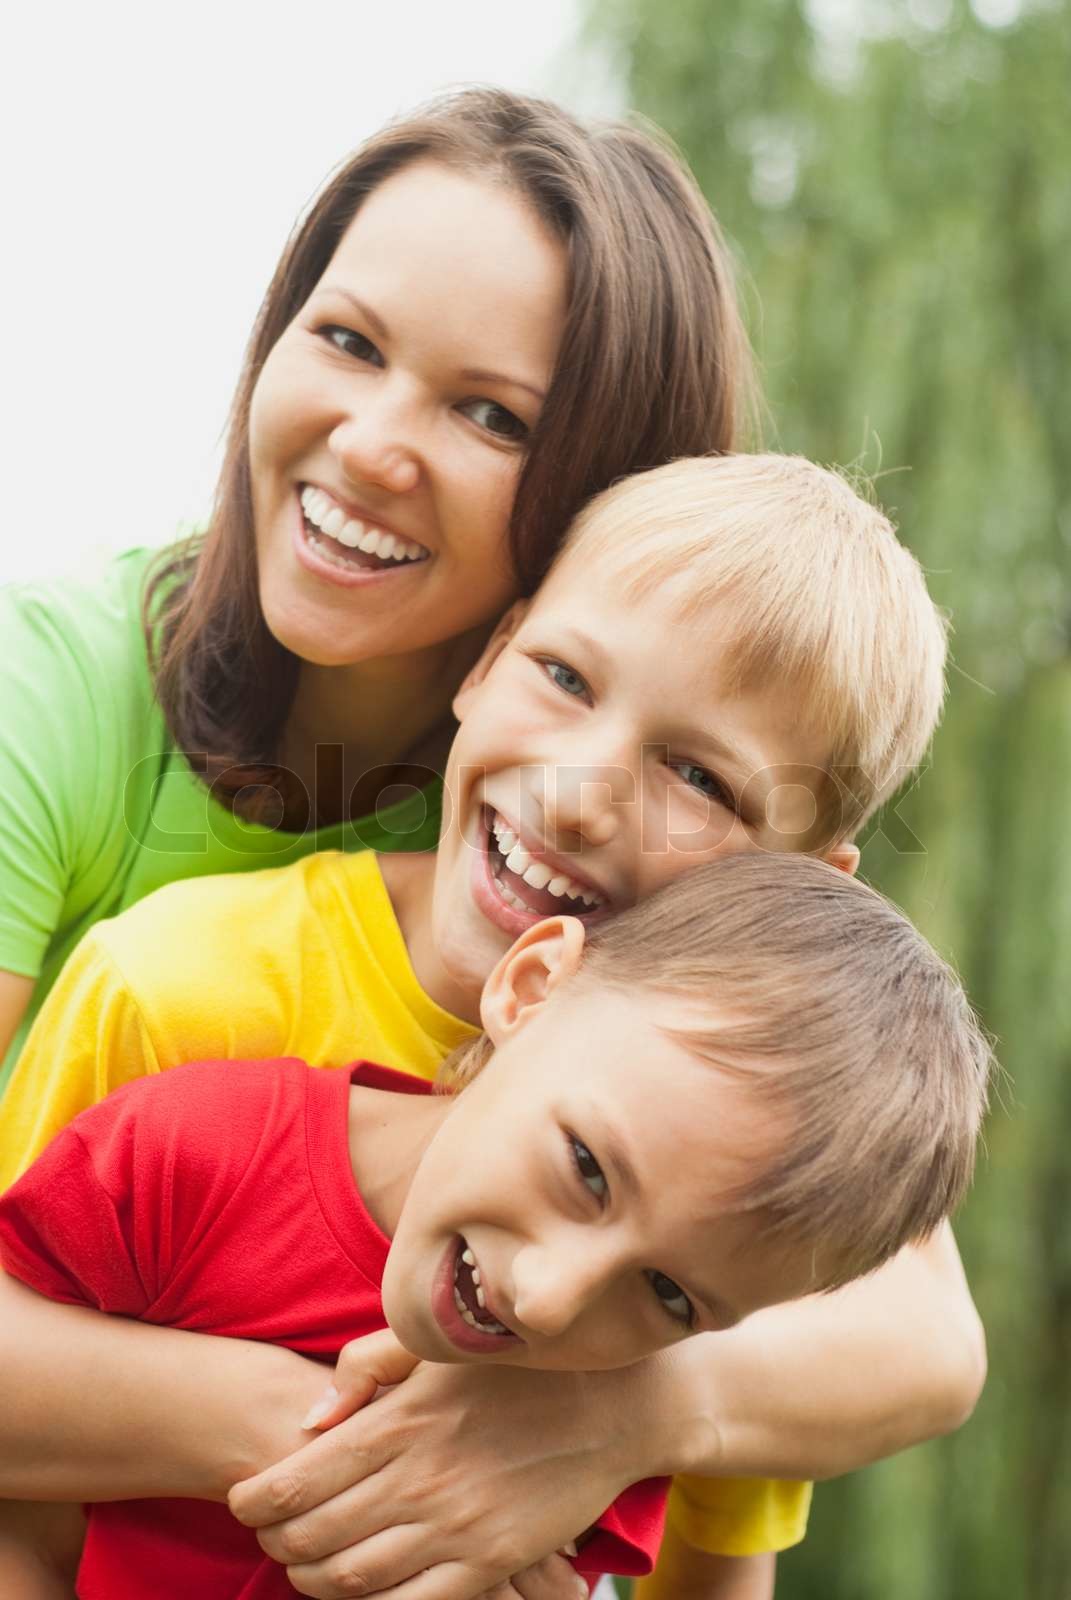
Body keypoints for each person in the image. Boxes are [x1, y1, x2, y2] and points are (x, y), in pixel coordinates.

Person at [0, 456, 985, 1600]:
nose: (576, 791)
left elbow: (740, 1542)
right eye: (565, 676)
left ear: (804, 888)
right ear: (490, 654)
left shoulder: (731, 1190)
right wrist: (345, 1441)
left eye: (700, 779)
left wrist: (621, 1412)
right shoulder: (182, 991)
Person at [0, 84, 754, 1090]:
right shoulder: (48, 687)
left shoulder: (566, 835)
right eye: (349, 342)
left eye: (490, 415)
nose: (367, 448)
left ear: (614, 498)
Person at [0, 851, 992, 1600]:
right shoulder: (193, 1156)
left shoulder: (609, 1419)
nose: (551, 1298)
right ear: (529, 987)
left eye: (670, 1294)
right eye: (588, 1168)